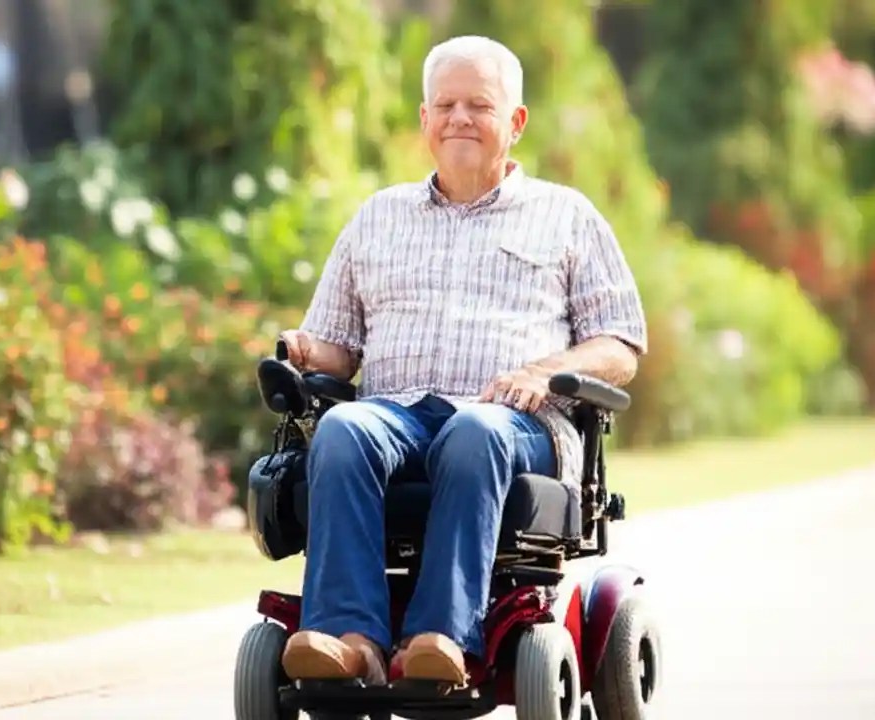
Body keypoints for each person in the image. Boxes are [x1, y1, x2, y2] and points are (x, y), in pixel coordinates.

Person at [277, 35, 648, 687]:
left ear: (516, 121)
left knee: (475, 431)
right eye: (444, 104)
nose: (459, 118)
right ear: (424, 120)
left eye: (479, 104)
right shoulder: (377, 217)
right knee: (341, 428)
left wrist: (540, 373)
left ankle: (441, 637)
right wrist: (308, 351)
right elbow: (339, 348)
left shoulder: (566, 216)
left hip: (514, 426)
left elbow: (620, 344)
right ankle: (350, 639)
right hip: (396, 415)